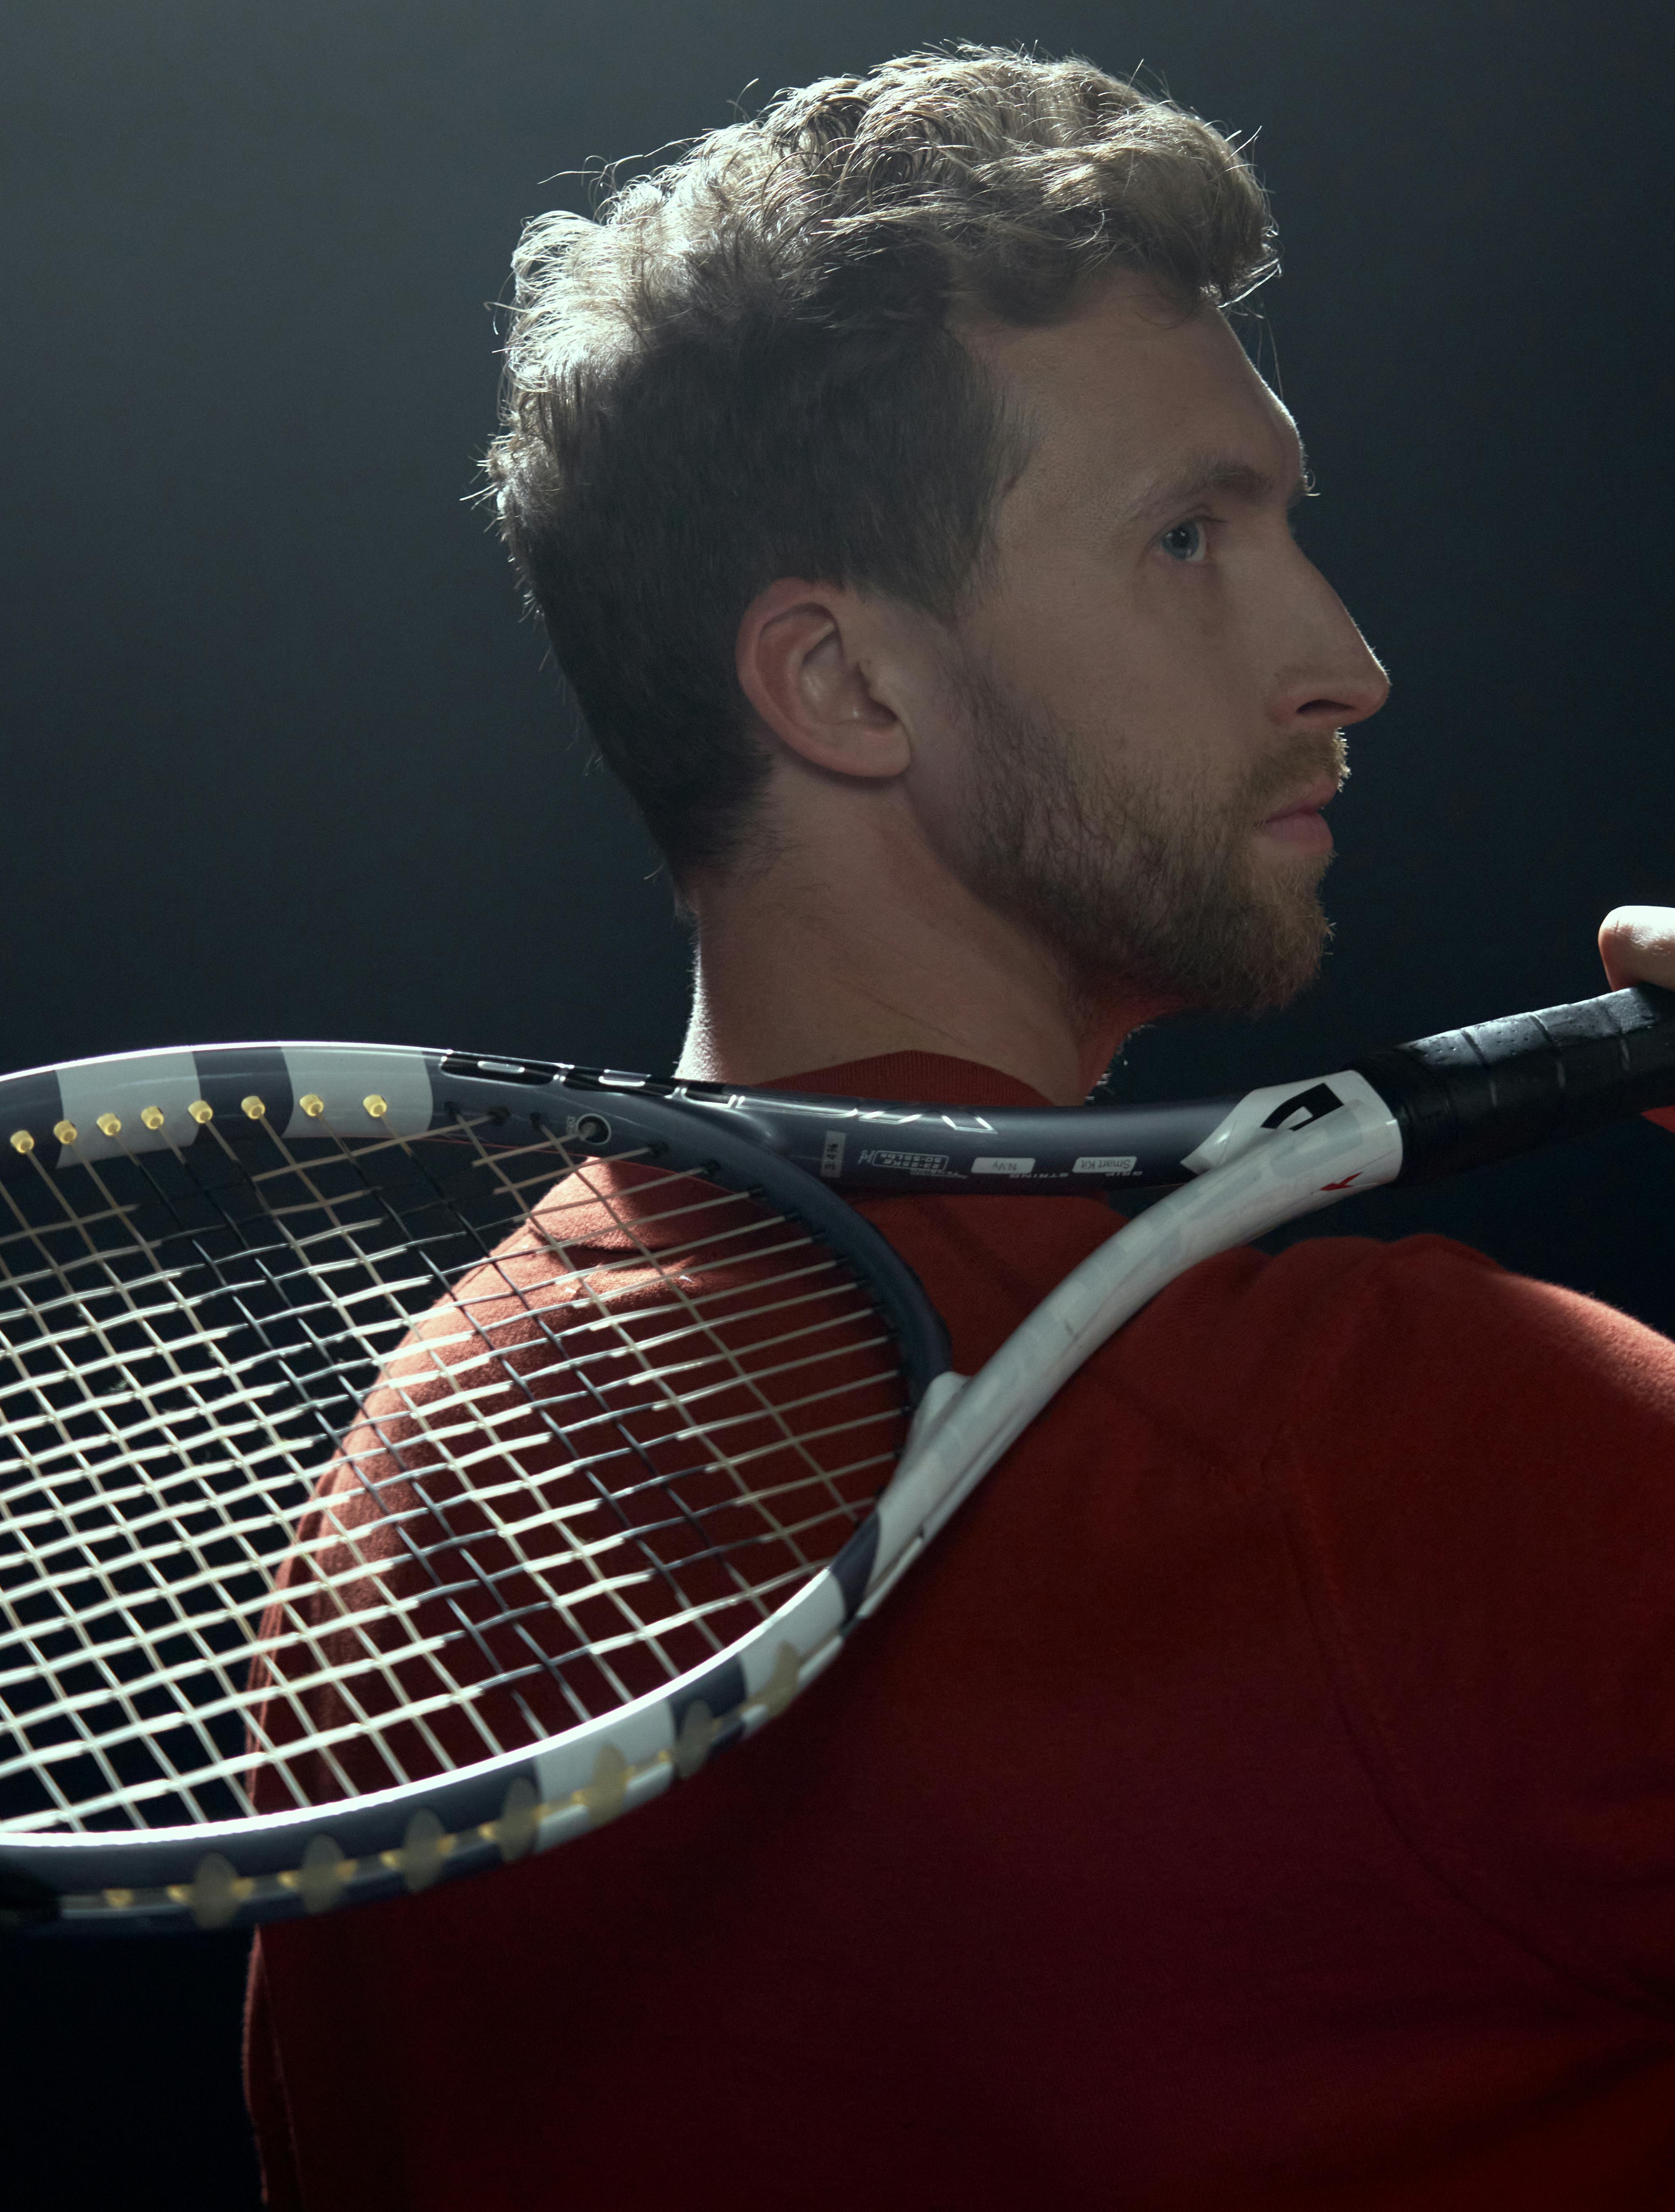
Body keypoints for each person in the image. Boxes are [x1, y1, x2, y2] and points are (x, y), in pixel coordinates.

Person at [244, 47, 1675, 2208]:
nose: (1347, 661)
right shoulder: (1442, 1465)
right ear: (842, 688)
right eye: (1188, 536)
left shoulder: (394, 1516)